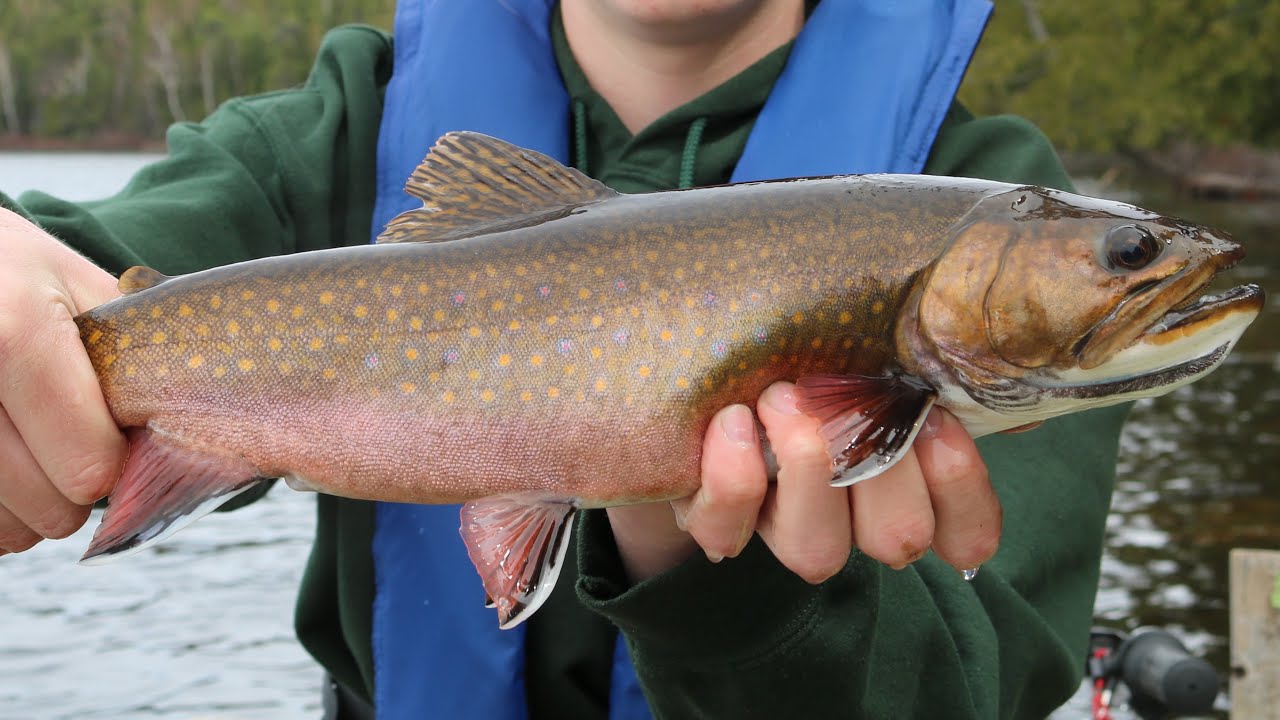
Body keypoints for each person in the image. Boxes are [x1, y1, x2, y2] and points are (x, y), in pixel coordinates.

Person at [0, 1, 1128, 718]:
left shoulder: (979, 202)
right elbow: (61, 280)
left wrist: (719, 582)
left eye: (1124, 257)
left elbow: (967, 688)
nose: (1127, 266)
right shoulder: (324, 141)